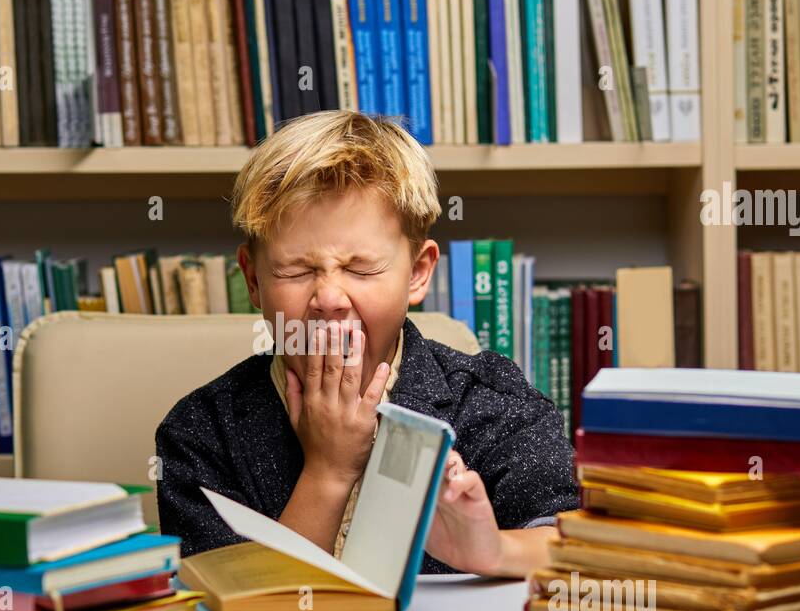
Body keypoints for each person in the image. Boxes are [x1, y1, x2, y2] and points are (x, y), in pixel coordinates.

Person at [155, 110, 578, 576]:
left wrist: (494, 550)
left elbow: (573, 541)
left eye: (361, 270)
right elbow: (234, 607)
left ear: (417, 273)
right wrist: (328, 471)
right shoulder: (200, 430)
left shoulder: (490, 399)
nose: (330, 299)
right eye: (296, 271)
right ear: (253, 280)